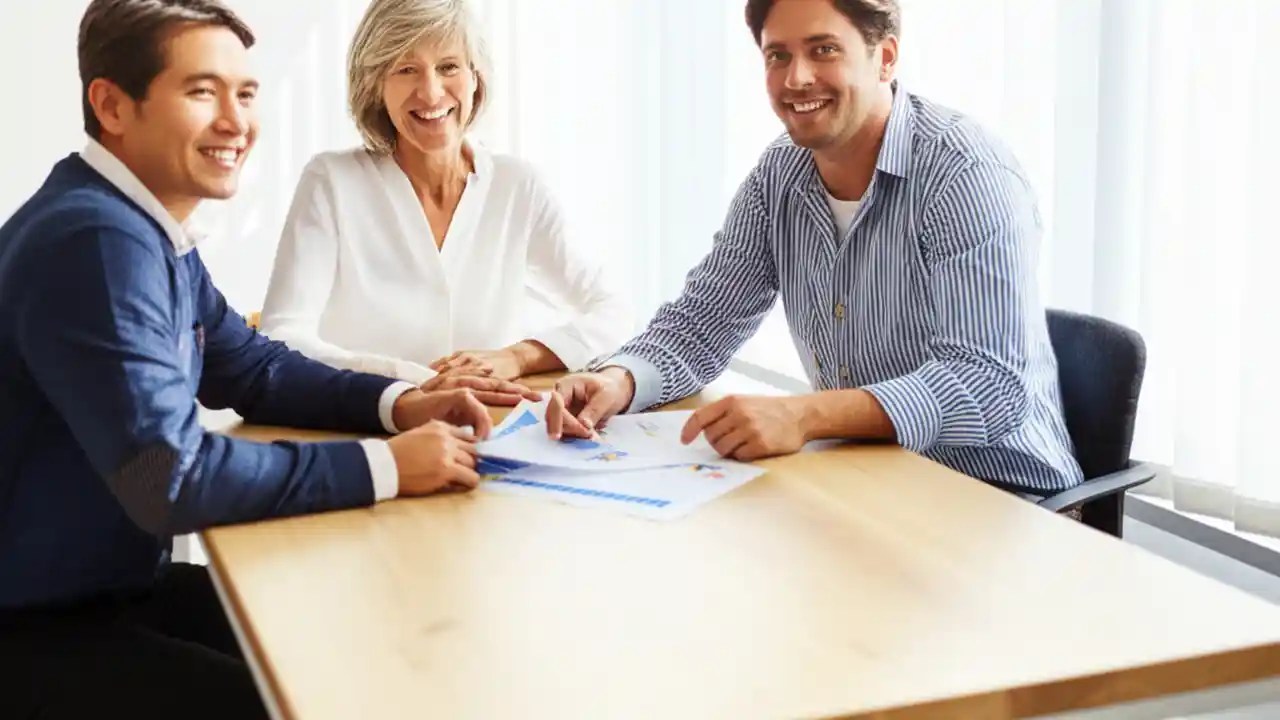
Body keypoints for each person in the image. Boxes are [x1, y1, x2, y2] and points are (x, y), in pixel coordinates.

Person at [0, 1, 532, 717]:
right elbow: (168, 476)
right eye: (202, 92)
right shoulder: (96, 243)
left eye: (245, 94)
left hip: (98, 586)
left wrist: (399, 404)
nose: (236, 122)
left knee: (344, 643)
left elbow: (252, 367)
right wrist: (387, 467)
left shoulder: (141, 227)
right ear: (112, 106)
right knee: (307, 694)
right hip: (35, 623)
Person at [547, 0, 1084, 497]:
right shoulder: (779, 175)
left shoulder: (965, 173)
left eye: (824, 49)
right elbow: (702, 323)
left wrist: (805, 416)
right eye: (777, 55)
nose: (796, 78)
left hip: (1003, 499)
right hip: (869, 477)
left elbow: (989, 383)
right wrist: (619, 380)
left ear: (885, 58)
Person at [258, 0, 631, 384]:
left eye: (448, 67)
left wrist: (518, 357)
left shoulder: (517, 186)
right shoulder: (331, 182)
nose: (432, 93)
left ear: (475, 76)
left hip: (490, 427)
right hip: (372, 430)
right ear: (375, 86)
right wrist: (416, 381)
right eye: (406, 70)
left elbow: (612, 312)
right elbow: (282, 338)